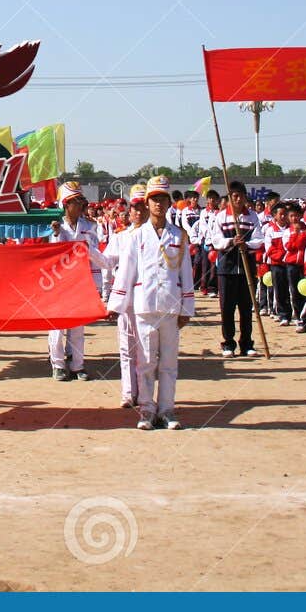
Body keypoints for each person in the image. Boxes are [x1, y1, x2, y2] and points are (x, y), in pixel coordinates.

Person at [108, 176, 194, 430]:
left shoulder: (179, 235)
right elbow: (127, 271)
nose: (158, 204)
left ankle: (166, 410)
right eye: (154, 199)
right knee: (145, 362)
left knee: (169, 363)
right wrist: (116, 304)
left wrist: (187, 308)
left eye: (162, 199)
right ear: (147, 203)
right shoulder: (136, 237)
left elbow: (186, 273)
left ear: (169, 203)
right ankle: (146, 409)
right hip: (144, 306)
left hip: (170, 306)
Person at [47, 182, 108, 380]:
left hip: (81, 282)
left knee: (77, 327)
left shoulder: (90, 226)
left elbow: (95, 253)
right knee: (57, 327)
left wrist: (89, 252)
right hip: (59, 283)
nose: (80, 205)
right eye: (75, 201)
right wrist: (56, 234)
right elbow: (53, 254)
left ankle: (77, 365)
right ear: (66, 204)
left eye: (81, 201)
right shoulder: (55, 226)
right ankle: (57, 365)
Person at [104, 184, 148, 409]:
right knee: (126, 347)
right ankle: (129, 392)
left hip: (148, 298)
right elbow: (107, 261)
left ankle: (144, 394)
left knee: (146, 349)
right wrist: (86, 250)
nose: (138, 212)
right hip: (125, 297)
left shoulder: (156, 236)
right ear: (129, 210)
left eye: (142, 207)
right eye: (135, 207)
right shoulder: (121, 237)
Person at [213, 181, 263, 358]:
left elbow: (259, 239)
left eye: (241, 196)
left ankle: (247, 344)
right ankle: (228, 343)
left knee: (246, 308)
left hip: (247, 267)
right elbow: (216, 240)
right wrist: (231, 241)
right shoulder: (221, 217)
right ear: (229, 198)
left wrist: (246, 244)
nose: (238, 200)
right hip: (227, 268)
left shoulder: (252, 217)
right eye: (235, 196)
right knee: (227, 308)